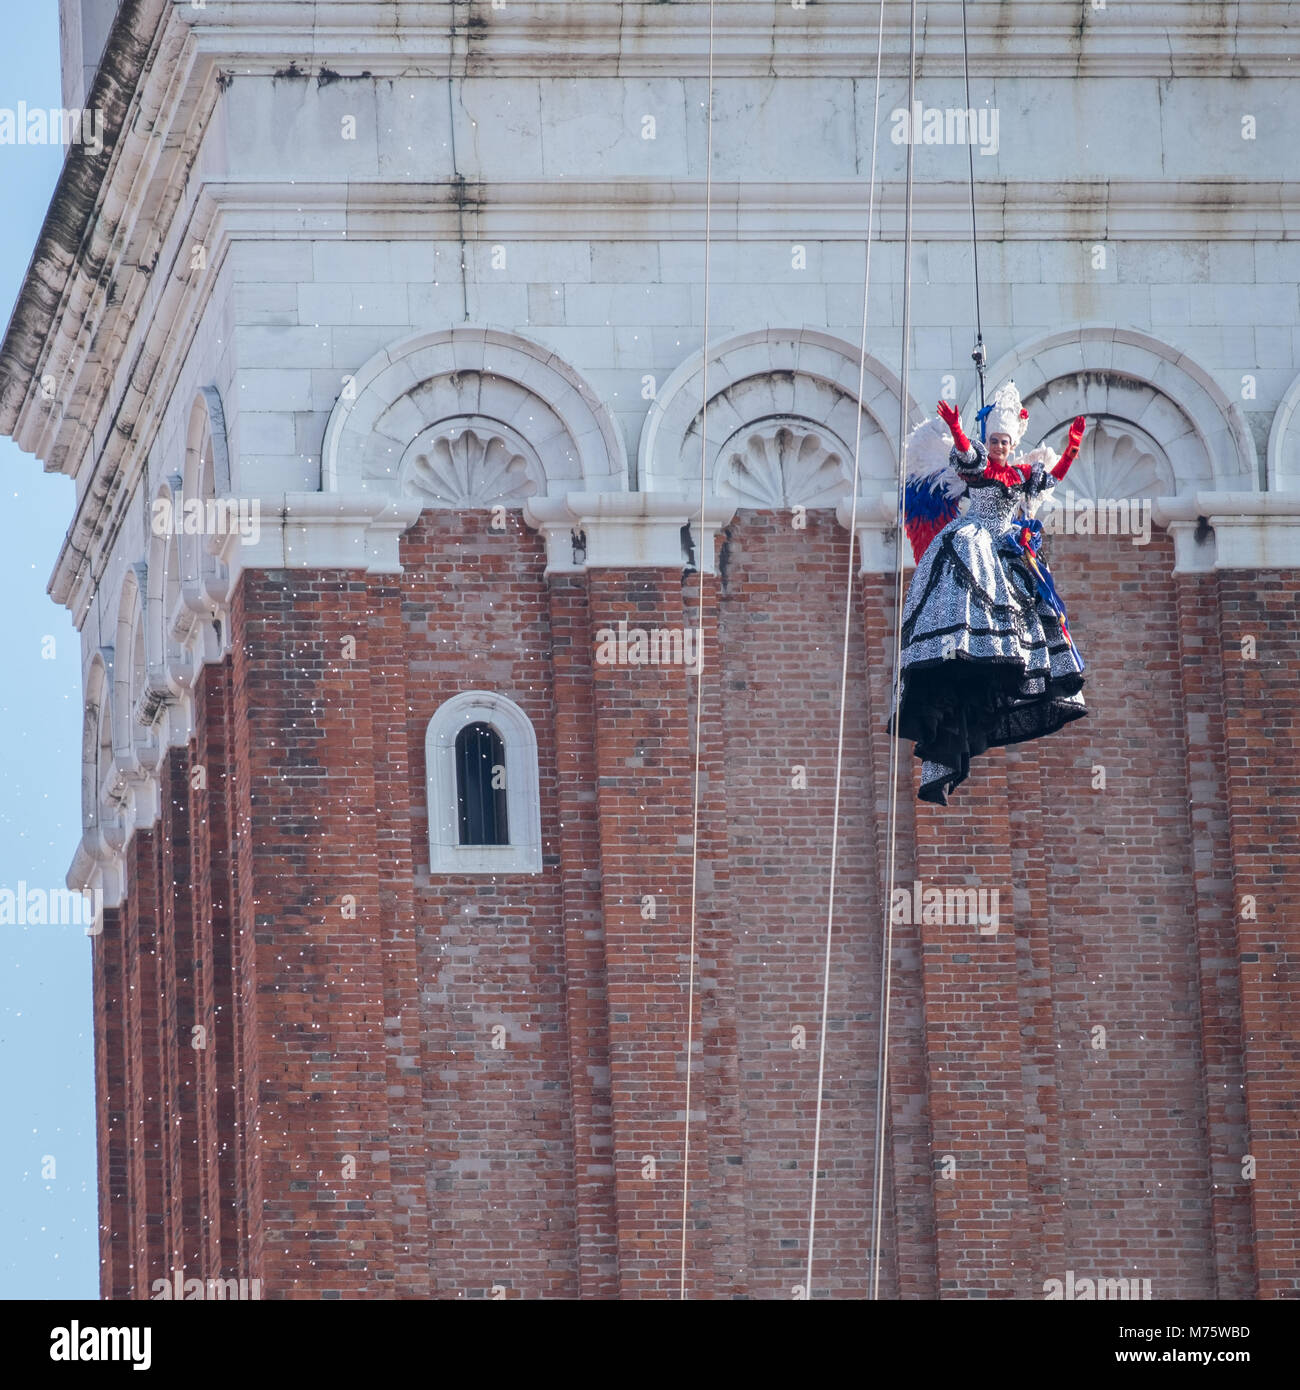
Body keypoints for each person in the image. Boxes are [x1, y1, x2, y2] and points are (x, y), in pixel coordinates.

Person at [888, 380, 1088, 805]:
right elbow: (965, 453)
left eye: (1004, 441)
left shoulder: (1019, 474)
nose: (998, 446)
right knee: (965, 554)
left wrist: (1071, 449)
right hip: (977, 535)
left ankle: (1007, 653)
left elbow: (1049, 479)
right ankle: (959, 639)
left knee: (1029, 597)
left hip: (1005, 543)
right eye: (994, 439)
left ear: (1013, 444)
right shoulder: (980, 466)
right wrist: (956, 427)